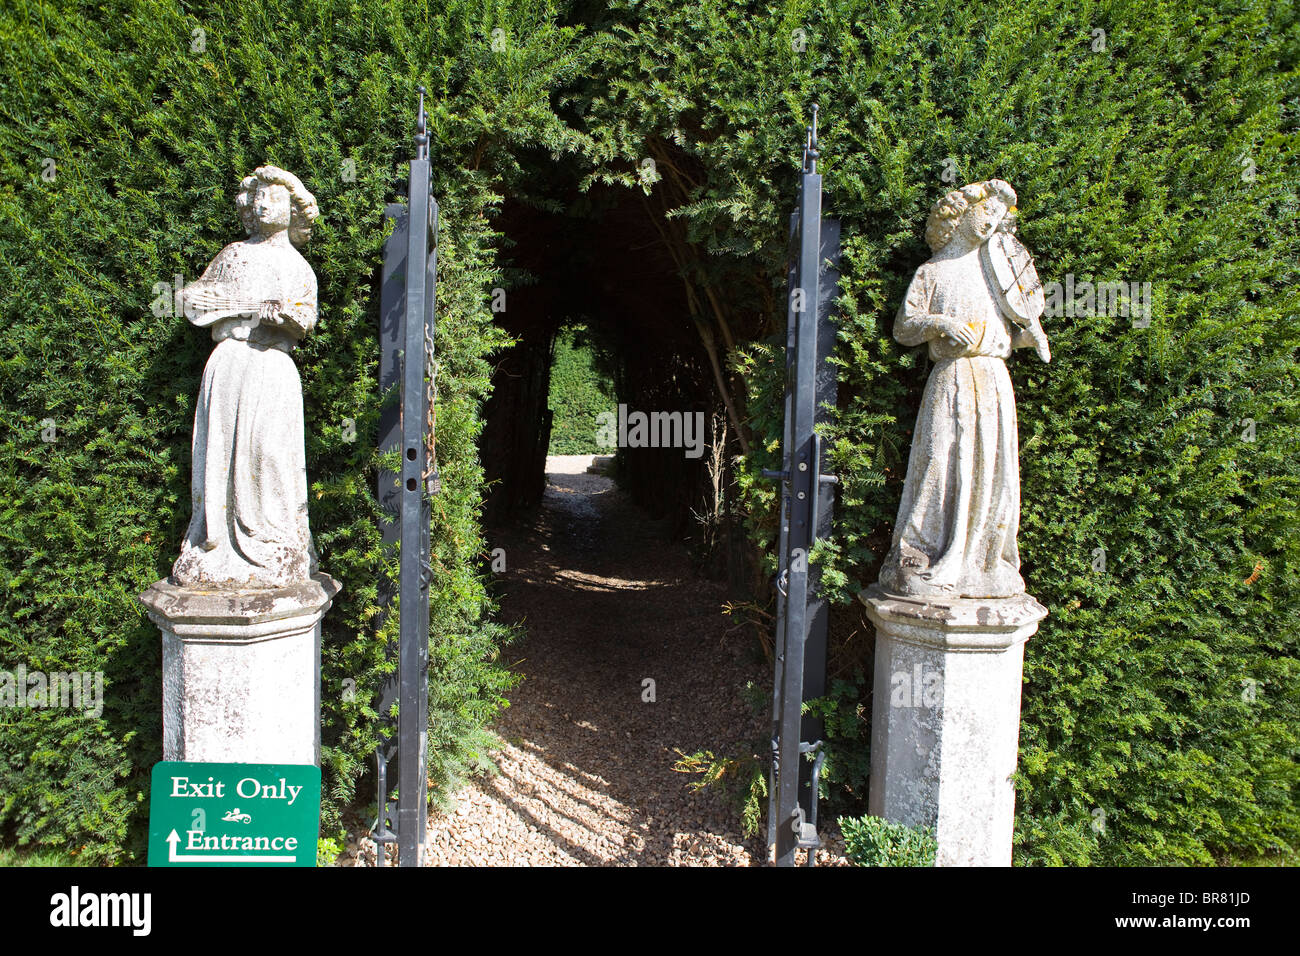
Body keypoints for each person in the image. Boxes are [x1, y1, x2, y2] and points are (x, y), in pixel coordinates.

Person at [878, 179, 1048, 599]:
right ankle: (923, 554)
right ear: (959, 213)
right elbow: (903, 327)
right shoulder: (932, 271)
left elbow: (1018, 323)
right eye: (984, 211)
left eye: (996, 216)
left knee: (992, 469)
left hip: (991, 380)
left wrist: (1030, 335)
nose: (990, 221)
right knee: (940, 459)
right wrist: (940, 323)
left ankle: (980, 561)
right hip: (951, 378)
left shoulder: (999, 273)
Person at [171, 166, 321, 589]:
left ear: (294, 210)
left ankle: (273, 539)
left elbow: (304, 319)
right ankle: (213, 543)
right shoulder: (233, 255)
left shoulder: (299, 268)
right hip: (230, 362)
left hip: (271, 366)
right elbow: (189, 299)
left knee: (268, 453)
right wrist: (223, 302)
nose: (262, 204)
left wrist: (280, 315)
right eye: (257, 197)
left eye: (273, 198)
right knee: (219, 450)